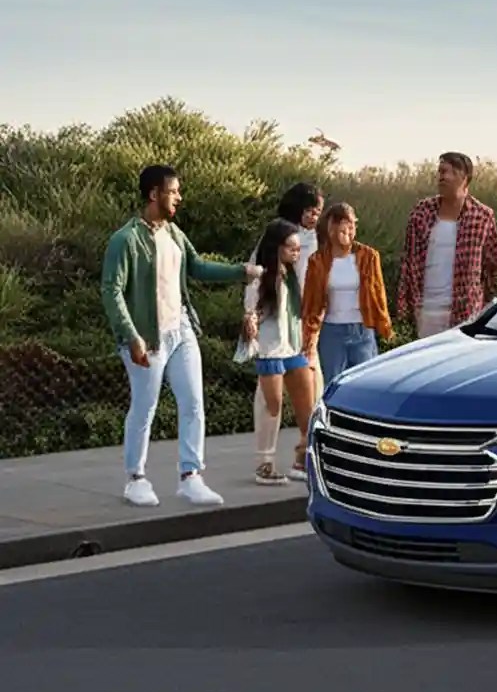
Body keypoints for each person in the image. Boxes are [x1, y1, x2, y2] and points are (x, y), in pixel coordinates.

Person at [101, 164, 262, 507]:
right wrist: (131, 335)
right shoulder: (125, 240)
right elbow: (111, 291)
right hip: (147, 336)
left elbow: (198, 266)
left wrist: (241, 273)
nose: (179, 197)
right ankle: (135, 478)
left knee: (193, 403)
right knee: (145, 407)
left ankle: (191, 477)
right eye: (173, 191)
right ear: (153, 194)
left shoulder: (174, 233)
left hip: (181, 331)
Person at [245, 182, 324, 481]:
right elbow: (254, 282)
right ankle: (265, 460)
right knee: (270, 398)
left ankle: (304, 456)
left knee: (311, 391)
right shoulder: (276, 236)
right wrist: (251, 316)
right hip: (274, 331)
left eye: (318, 210)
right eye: (310, 210)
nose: (315, 216)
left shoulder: (317, 239)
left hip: (303, 326)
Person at [395, 152, 497, 339]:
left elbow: (492, 264)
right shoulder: (422, 212)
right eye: (440, 172)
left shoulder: (483, 216)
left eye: (448, 172)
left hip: (466, 311)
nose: (441, 177)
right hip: (428, 310)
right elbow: (409, 261)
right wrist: (407, 304)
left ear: (464, 177)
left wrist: (483, 303)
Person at [301, 202, 394, 387]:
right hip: (331, 332)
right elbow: (311, 302)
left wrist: (384, 324)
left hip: (362, 330)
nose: (349, 231)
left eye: (352, 226)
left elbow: (378, 293)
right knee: (334, 386)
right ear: (331, 228)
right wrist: (308, 337)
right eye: (344, 226)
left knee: (367, 385)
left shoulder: (369, 256)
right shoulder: (317, 261)